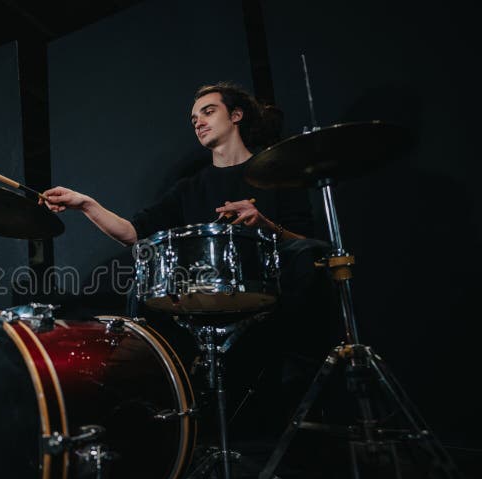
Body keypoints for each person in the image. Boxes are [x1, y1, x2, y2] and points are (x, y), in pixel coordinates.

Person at [42, 82, 337, 433]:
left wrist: (265, 224)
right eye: (194, 118)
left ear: (237, 115)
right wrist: (85, 204)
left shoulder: (278, 175)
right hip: (202, 302)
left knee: (307, 261)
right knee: (140, 289)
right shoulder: (189, 188)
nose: (198, 121)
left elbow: (310, 246)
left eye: (208, 111)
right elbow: (133, 234)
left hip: (272, 298)